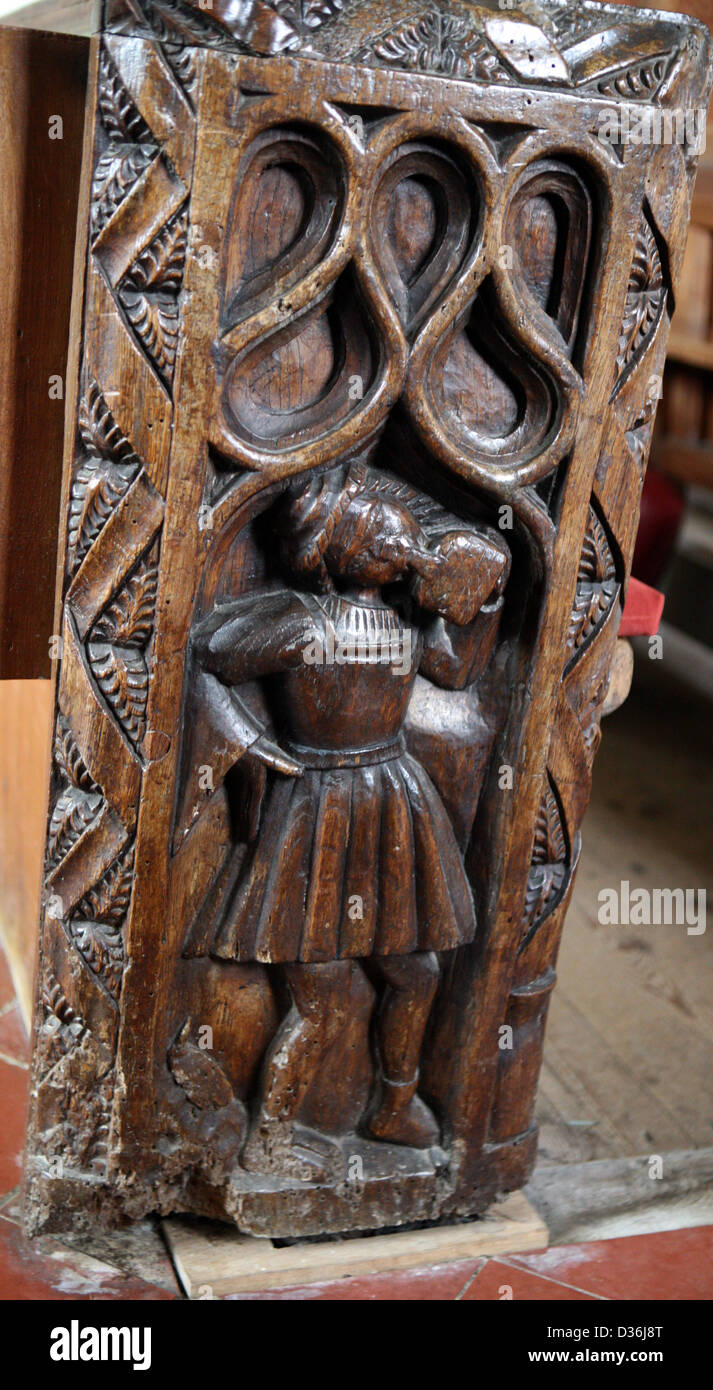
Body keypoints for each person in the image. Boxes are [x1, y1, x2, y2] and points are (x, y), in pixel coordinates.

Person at [186, 460, 510, 1179]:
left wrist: (482, 605)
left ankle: (392, 1104)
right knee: (319, 996)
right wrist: (248, 743)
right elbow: (206, 657)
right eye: (376, 526)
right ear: (341, 554)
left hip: (391, 801)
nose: (401, 532)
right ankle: (268, 1134)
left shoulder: (399, 617)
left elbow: (454, 672)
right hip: (321, 810)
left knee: (416, 973)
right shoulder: (301, 619)